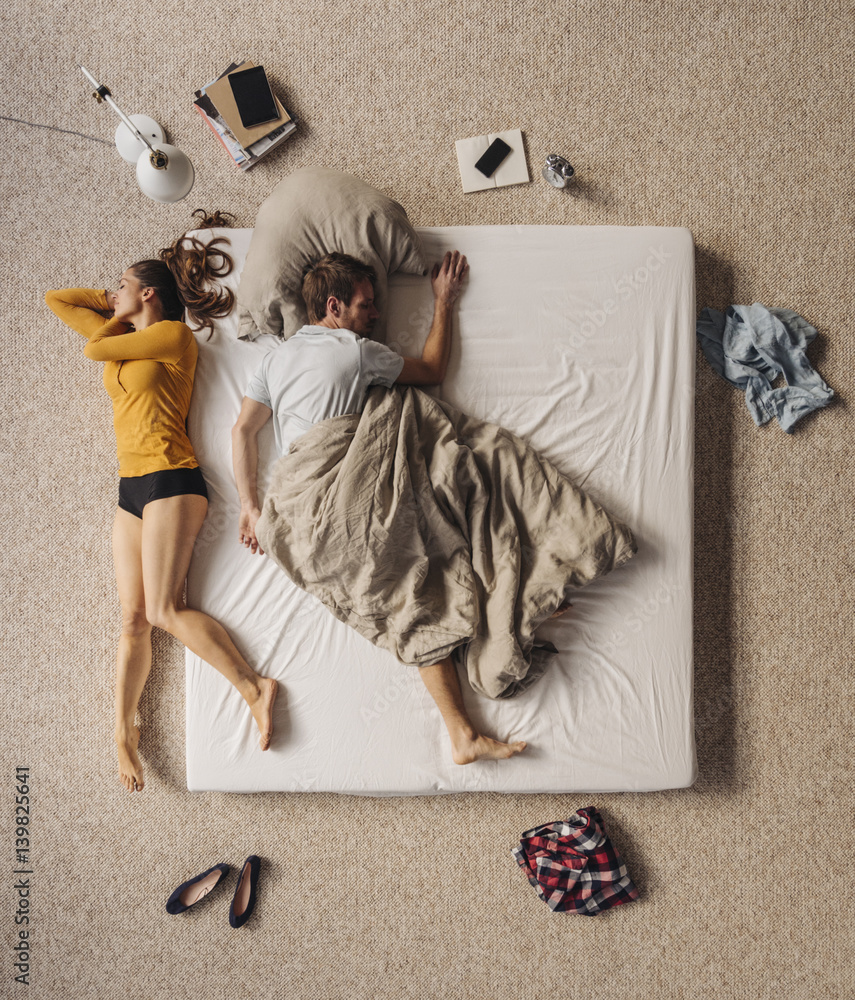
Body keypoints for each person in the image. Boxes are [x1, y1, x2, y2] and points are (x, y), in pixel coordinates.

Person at [232, 250, 548, 764]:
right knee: (435, 561)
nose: (375, 314)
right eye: (365, 305)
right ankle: (521, 606)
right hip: (340, 510)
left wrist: (249, 507)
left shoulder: (273, 360)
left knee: (411, 598)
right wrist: (443, 302)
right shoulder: (357, 352)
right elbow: (432, 369)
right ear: (333, 307)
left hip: (291, 526)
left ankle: (464, 731)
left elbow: (243, 431)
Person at [46, 213, 278, 794]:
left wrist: (119, 312)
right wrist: (113, 299)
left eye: (122, 284)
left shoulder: (175, 337)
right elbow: (57, 301)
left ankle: (254, 687)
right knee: (131, 618)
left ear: (149, 295)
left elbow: (93, 351)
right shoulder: (123, 330)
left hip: (172, 478)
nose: (113, 292)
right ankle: (123, 733)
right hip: (130, 487)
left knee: (164, 611)